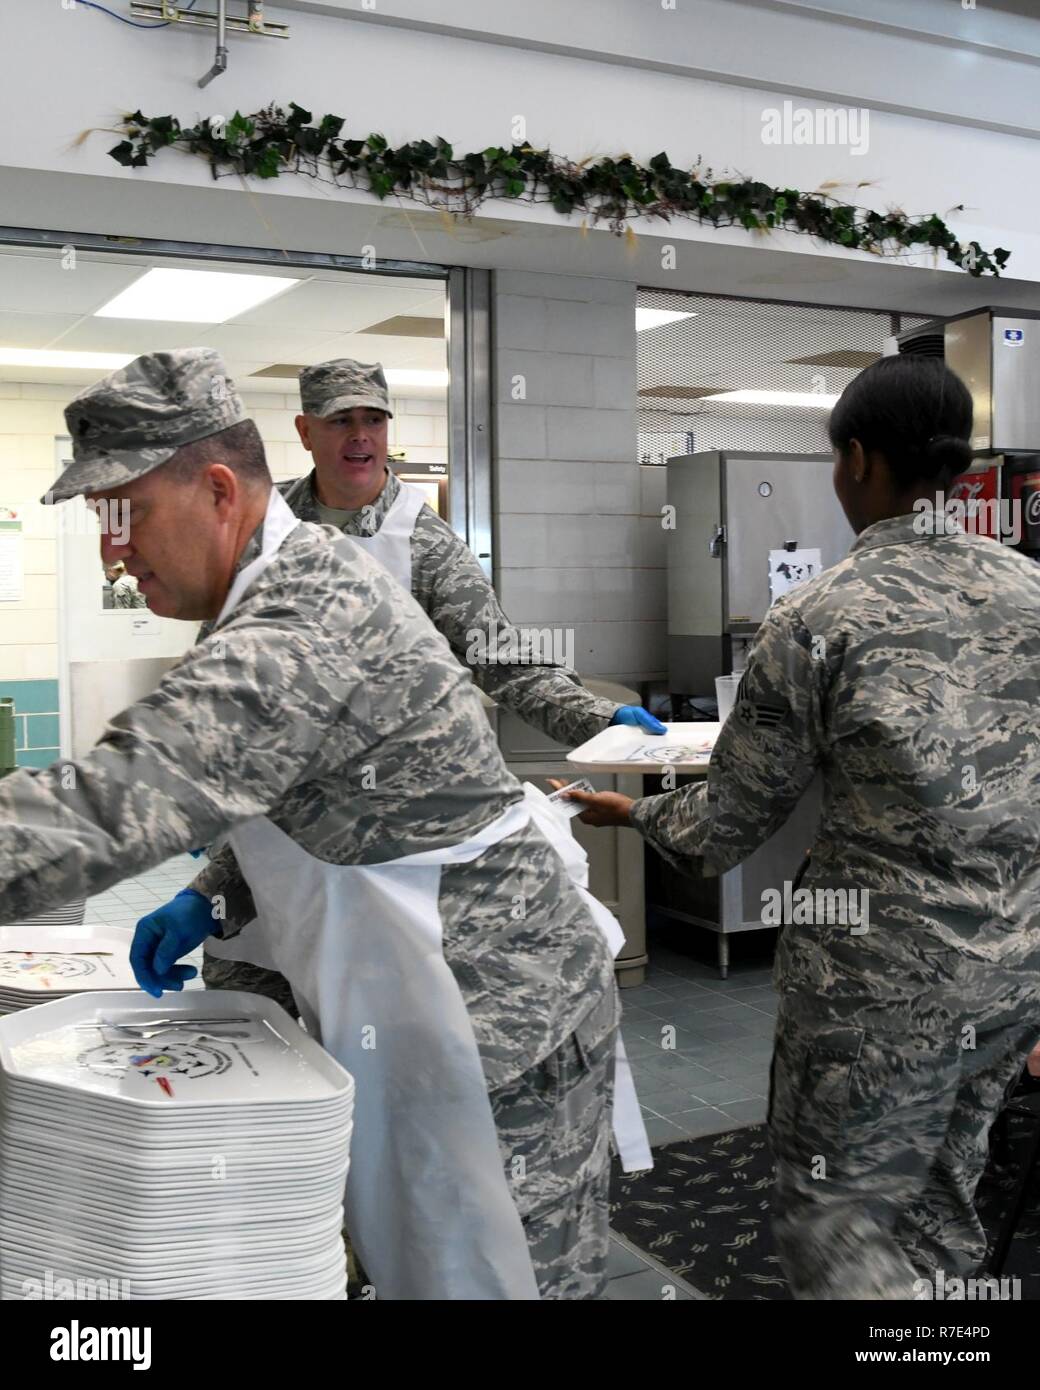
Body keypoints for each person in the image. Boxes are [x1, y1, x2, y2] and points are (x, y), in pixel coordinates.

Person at [0, 348, 623, 1300]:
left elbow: (105, 808)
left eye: (120, 516)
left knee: (501, 1277)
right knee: (415, 1256)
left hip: (501, 1021)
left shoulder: (301, 619)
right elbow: (307, 793)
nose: (109, 551)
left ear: (215, 490)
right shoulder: (272, 583)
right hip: (410, 995)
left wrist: (599, 723)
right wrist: (210, 895)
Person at [562, 355, 1040, 1299]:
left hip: (879, 987)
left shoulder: (817, 616)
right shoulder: (1032, 591)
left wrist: (634, 809)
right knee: (943, 1198)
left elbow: (723, 825)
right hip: (1015, 972)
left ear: (857, 459)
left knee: (837, 1216)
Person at [203, 355, 664, 1010]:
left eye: (373, 420)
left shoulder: (422, 542)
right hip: (269, 812)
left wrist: (597, 719)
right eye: (341, 422)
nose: (360, 436)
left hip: (382, 828)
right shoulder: (263, 526)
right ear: (306, 432)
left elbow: (503, 659)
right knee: (248, 1005)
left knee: (365, 1013)